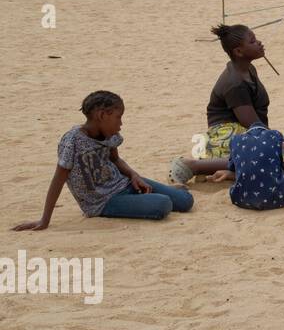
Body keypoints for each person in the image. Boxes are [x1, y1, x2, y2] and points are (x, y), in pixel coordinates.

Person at [17, 91, 195, 230]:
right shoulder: (72, 141)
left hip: (124, 184)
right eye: (118, 117)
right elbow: (58, 179)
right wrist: (44, 220)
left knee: (186, 201)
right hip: (102, 202)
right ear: (102, 115)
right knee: (163, 204)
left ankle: (161, 192)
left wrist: (134, 175)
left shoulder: (110, 135)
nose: (121, 124)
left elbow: (116, 160)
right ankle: (157, 195)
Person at [171, 23, 282, 183]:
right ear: (238, 51)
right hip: (226, 135)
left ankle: (228, 170)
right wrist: (276, 141)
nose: (258, 43)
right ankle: (194, 165)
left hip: (241, 130)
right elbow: (253, 125)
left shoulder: (248, 69)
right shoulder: (235, 83)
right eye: (252, 41)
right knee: (283, 156)